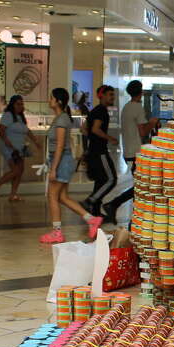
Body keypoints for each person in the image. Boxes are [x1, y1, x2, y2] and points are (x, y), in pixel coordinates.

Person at [39, 87, 103, 244]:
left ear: (58, 101)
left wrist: (53, 169)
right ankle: (91, 219)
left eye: (51, 97)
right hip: (62, 161)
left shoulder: (61, 119)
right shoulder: (61, 118)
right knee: (62, 197)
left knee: (52, 196)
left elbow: (60, 146)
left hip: (61, 162)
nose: (49, 100)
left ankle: (57, 232)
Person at [104, 79, 158, 226]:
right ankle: (115, 204)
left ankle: (134, 217)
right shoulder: (137, 108)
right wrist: (152, 123)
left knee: (139, 185)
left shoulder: (126, 107)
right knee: (141, 187)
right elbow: (142, 132)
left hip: (128, 150)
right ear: (141, 92)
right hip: (137, 152)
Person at [82, 84, 121, 220]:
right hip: (100, 151)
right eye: (110, 95)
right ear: (102, 96)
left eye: (113, 95)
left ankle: (95, 212)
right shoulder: (101, 111)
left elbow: (84, 129)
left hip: (93, 150)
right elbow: (95, 129)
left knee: (100, 181)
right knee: (111, 179)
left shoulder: (95, 110)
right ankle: (90, 201)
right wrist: (110, 138)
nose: (112, 97)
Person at [0, 95, 37, 201]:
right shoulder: (8, 115)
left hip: (19, 147)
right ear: (12, 104)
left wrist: (35, 141)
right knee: (15, 170)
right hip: (9, 147)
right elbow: (1, 129)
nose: (20, 106)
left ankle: (13, 194)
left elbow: (27, 130)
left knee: (20, 170)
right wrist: (7, 141)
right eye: (18, 104)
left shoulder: (20, 117)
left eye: (22, 104)